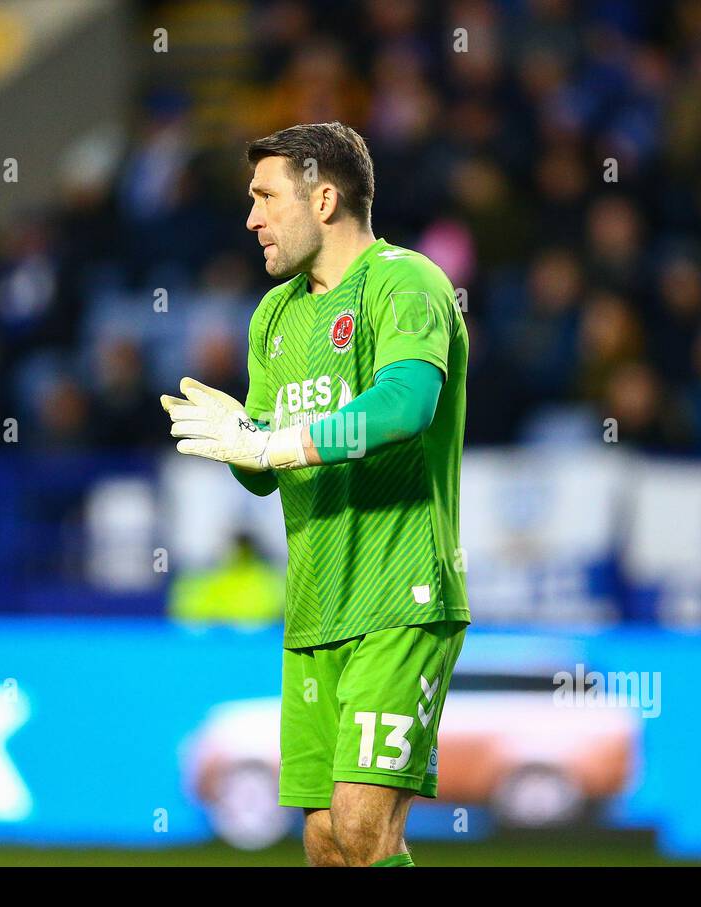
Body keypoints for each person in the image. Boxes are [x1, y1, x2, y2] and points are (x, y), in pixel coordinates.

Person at [160, 122, 470, 866]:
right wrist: (243, 440)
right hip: (314, 608)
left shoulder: (407, 282)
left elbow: (405, 406)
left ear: (323, 198)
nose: (251, 218)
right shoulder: (273, 317)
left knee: (363, 826)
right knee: (326, 839)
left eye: (266, 197)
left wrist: (273, 440)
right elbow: (264, 472)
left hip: (402, 599)